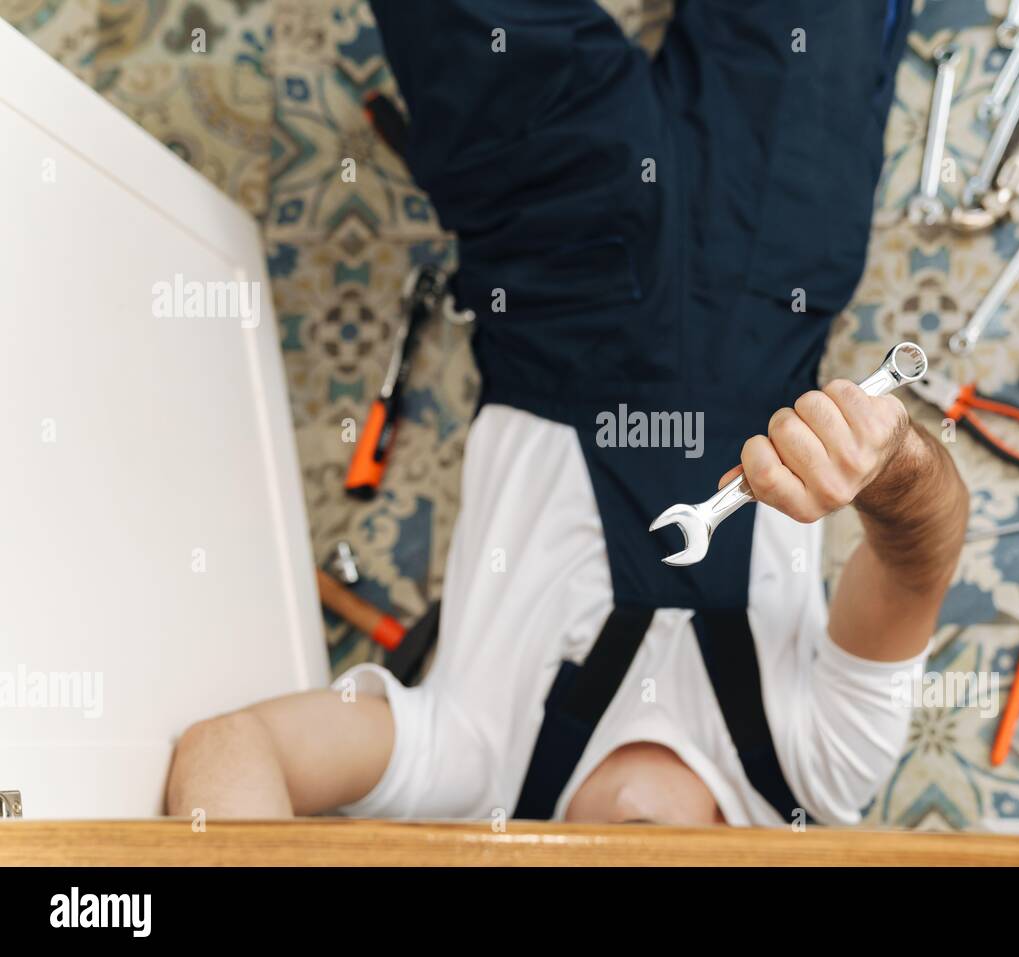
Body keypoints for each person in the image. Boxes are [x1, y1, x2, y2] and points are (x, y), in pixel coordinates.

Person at [166, 0, 968, 827]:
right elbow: (920, 563)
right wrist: (887, 465)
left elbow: (232, 747)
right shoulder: (818, 781)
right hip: (774, 254)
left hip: (547, 251)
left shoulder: (473, 779)